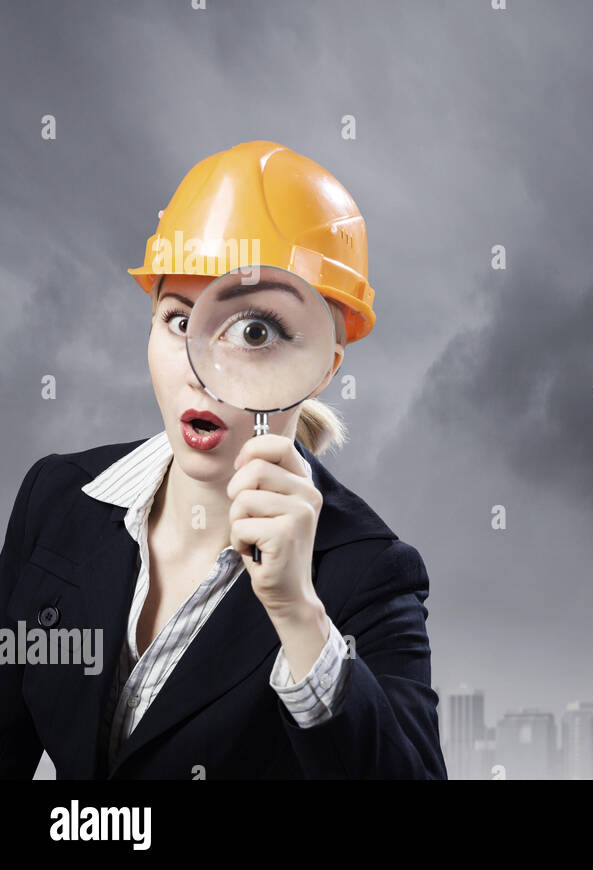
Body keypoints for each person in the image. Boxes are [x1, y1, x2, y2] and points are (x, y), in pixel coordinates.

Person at [0, 140, 448, 779]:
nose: (198, 373)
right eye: (179, 320)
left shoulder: (368, 572)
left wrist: (298, 615)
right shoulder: (56, 499)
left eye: (254, 332)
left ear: (321, 366)